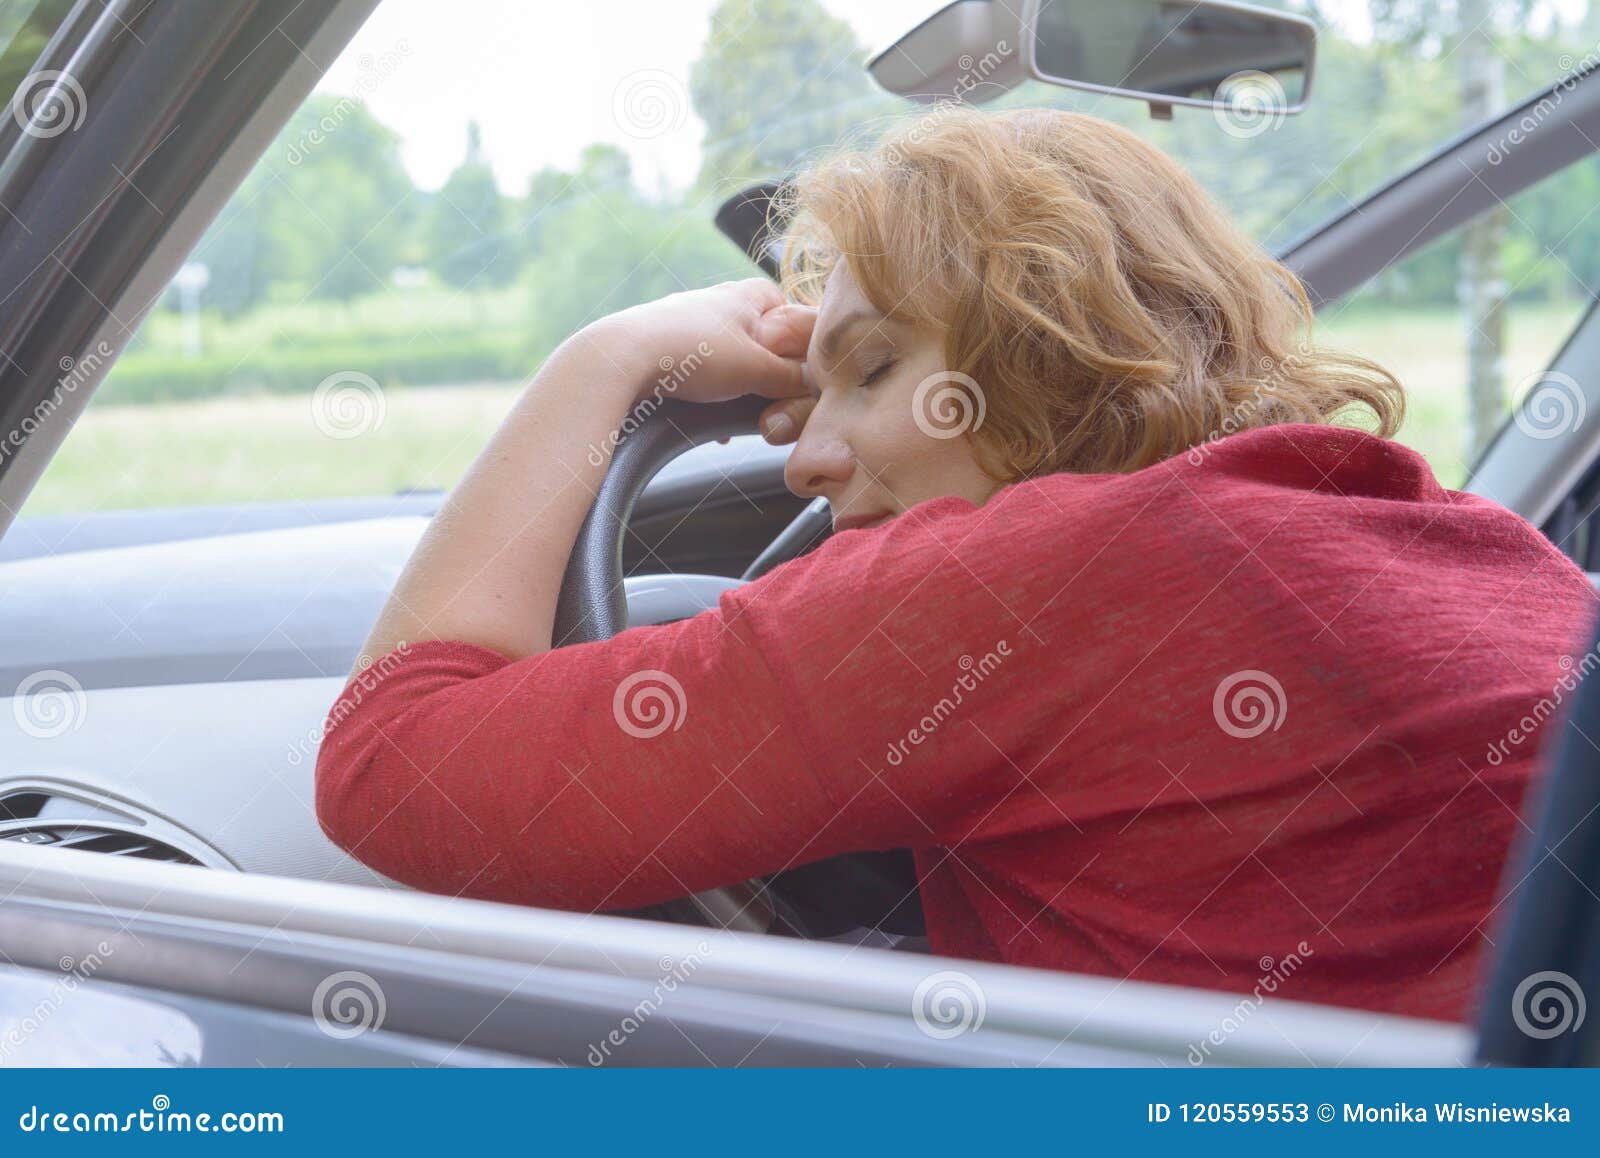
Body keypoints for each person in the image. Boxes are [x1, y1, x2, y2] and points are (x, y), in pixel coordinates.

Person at [314, 108, 1597, 1022]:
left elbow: (393, 766)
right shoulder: (1476, 541)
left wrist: (602, 365)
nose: (803, 465)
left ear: (1042, 352)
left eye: (869, 370)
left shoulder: (1035, 582)